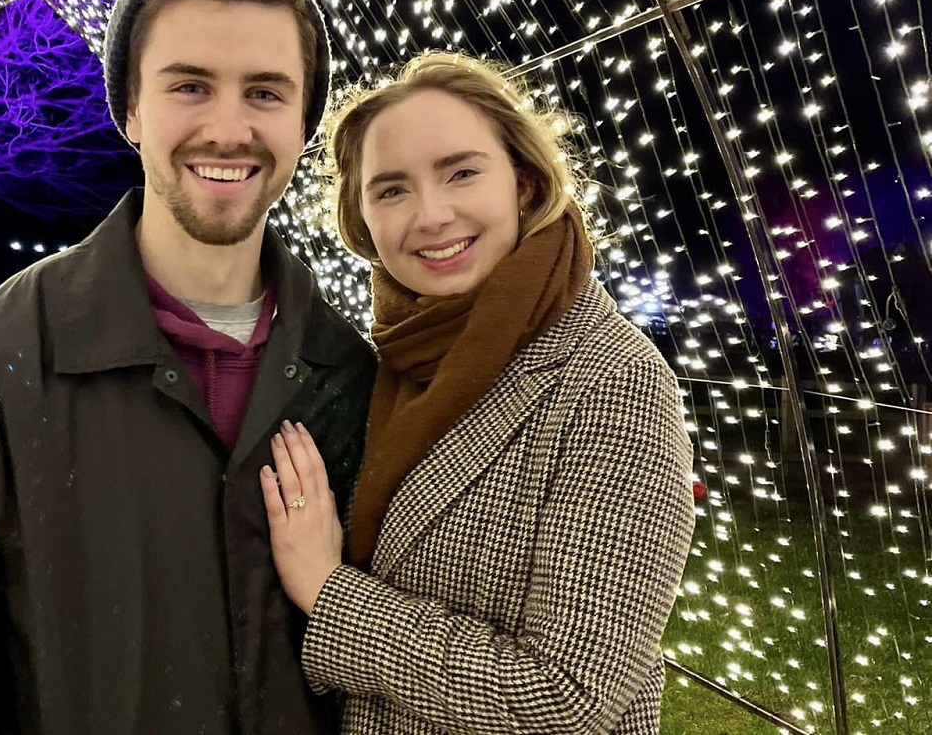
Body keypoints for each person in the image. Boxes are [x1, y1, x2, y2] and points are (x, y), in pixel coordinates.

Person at [0, 0, 376, 735]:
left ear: (304, 122)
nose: (228, 127)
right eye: (189, 86)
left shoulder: (354, 381)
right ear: (131, 111)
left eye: (265, 92)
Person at [259, 52, 696, 734]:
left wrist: (327, 592)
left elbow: (565, 700)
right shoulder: (396, 361)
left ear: (524, 181)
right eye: (391, 190)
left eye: (461, 172)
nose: (431, 215)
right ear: (362, 219)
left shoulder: (609, 379)